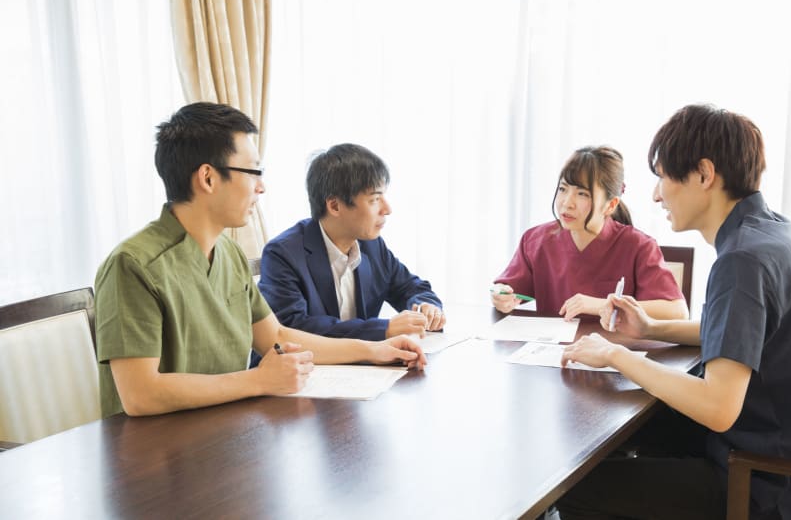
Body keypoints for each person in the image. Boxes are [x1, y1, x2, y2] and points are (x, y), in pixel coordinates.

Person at [94, 103, 426, 418]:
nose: (261, 187)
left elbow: (276, 337)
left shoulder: (228, 253)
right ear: (208, 178)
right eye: (253, 172)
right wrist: (258, 380)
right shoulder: (133, 264)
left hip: (224, 428)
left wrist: (373, 350)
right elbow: (140, 395)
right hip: (156, 448)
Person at [559, 104, 791, 519]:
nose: (656, 195)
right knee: (619, 438)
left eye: (662, 177)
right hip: (770, 447)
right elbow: (742, 333)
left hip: (757, 480)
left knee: (575, 487)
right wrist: (652, 328)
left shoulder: (740, 260)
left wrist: (617, 354)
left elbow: (718, 407)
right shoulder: (774, 233)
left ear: (704, 175)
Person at [251, 143, 444, 366]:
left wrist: (425, 307)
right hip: (293, 376)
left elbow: (410, 287)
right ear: (335, 206)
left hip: (356, 373)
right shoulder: (283, 253)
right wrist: (384, 329)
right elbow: (294, 329)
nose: (387, 209)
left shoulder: (372, 245)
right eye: (374, 199)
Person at [491, 145, 688, 321]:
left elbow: (677, 311)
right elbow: (507, 289)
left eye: (582, 194)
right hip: (551, 348)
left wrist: (603, 304)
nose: (567, 203)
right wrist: (501, 296)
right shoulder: (535, 240)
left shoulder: (639, 246)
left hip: (613, 350)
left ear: (610, 205)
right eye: (563, 189)